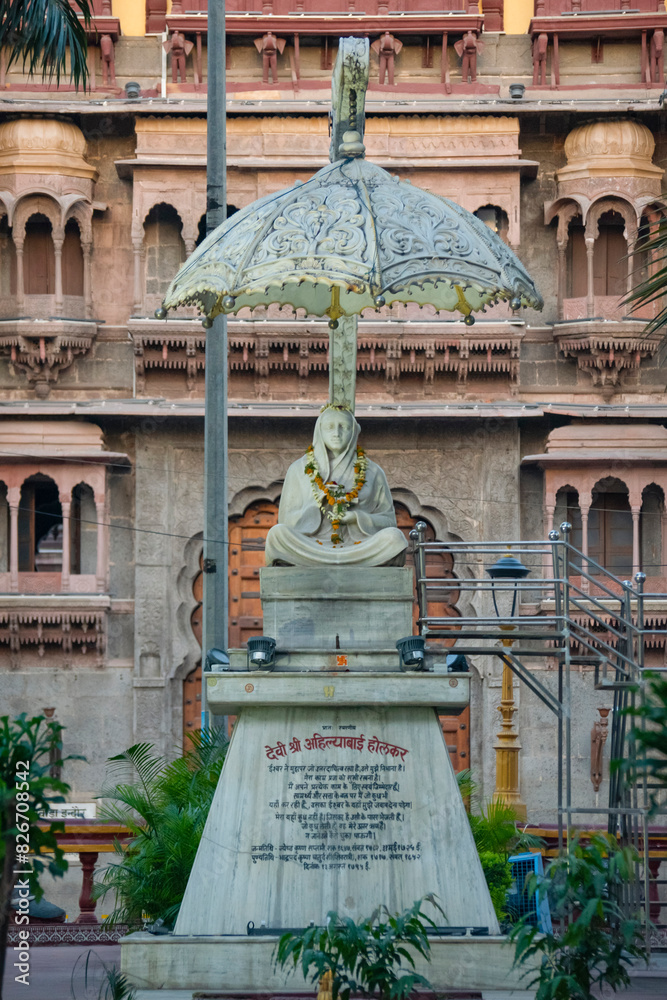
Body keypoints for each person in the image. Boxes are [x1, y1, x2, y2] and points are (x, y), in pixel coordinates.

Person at [265, 406, 407, 567]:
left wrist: (356, 518)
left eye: (344, 427)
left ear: (353, 431)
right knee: (277, 535)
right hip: (311, 545)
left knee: (395, 538)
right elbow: (287, 521)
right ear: (319, 430)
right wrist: (317, 503)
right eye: (330, 427)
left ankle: (340, 562)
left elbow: (388, 521)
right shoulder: (298, 469)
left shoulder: (373, 471)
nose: (336, 433)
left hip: (359, 546)